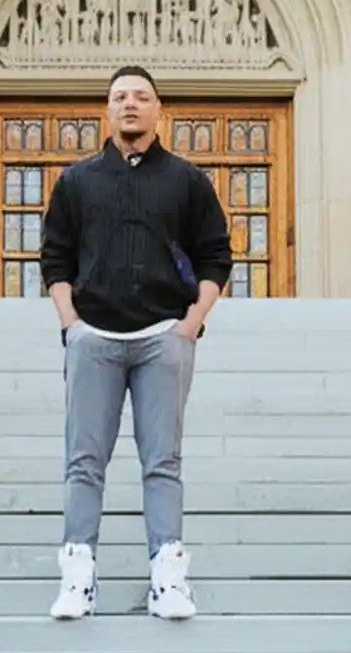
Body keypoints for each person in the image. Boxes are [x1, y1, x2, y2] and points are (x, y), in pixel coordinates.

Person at [39, 66, 232, 621]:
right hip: (93, 338)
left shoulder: (187, 180)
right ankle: (78, 576)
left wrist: (191, 322)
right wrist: (71, 324)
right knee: (84, 461)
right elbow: (55, 257)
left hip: (162, 338)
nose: (130, 104)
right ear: (107, 109)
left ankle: (168, 577)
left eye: (141, 96)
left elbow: (216, 256)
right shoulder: (77, 181)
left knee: (162, 462)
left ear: (157, 109)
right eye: (120, 96)